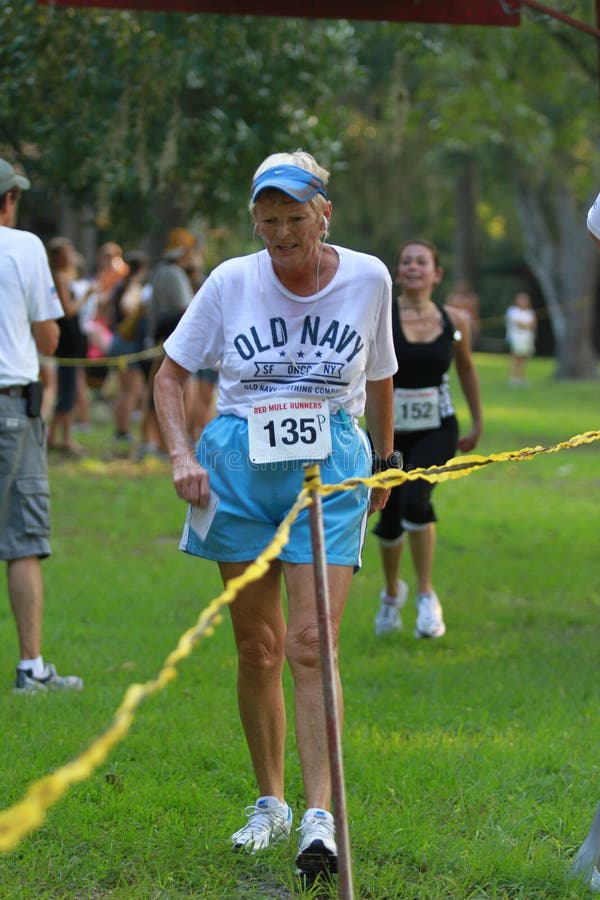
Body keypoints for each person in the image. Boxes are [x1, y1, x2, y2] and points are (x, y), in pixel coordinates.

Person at [154, 150, 397, 879]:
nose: (283, 233)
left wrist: (385, 460)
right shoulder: (231, 281)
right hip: (239, 467)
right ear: (254, 219)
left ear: (324, 212)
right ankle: (271, 803)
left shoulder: (369, 277)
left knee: (313, 642)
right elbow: (169, 376)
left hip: (330, 466)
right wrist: (179, 456)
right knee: (258, 647)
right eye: (269, 220)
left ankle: (319, 816)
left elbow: (381, 374)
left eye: (296, 217)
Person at [0, 159, 83, 692]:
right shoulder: (24, 246)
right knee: (24, 538)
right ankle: (31, 668)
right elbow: (49, 338)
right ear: (8, 200)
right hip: (11, 409)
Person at [373, 239, 482, 640]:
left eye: (422, 262)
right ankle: (389, 596)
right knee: (389, 511)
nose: (413, 267)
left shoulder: (455, 320)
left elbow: (467, 370)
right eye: (406, 262)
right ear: (398, 272)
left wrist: (476, 423)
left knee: (417, 497)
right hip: (389, 429)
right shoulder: (381, 316)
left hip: (439, 427)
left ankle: (424, 596)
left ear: (437, 273)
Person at [46, 237, 89, 455]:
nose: (71, 256)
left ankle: (55, 435)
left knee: (67, 388)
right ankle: (63, 438)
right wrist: (87, 296)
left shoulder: (62, 277)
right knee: (67, 389)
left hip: (69, 340)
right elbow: (68, 310)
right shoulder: (60, 278)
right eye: (67, 252)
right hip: (67, 340)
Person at [505, 291, 536, 386]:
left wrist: (526, 325)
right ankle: (513, 378)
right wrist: (526, 324)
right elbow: (519, 324)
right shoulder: (512, 311)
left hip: (527, 338)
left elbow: (533, 325)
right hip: (516, 338)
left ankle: (521, 378)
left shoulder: (530, 312)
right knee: (515, 358)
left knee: (523, 359)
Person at [445, 278, 481, 348]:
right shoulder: (452, 298)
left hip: (468, 326)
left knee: (466, 344)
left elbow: (475, 316)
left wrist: (476, 329)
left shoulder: (471, 299)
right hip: (456, 326)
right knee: (456, 343)